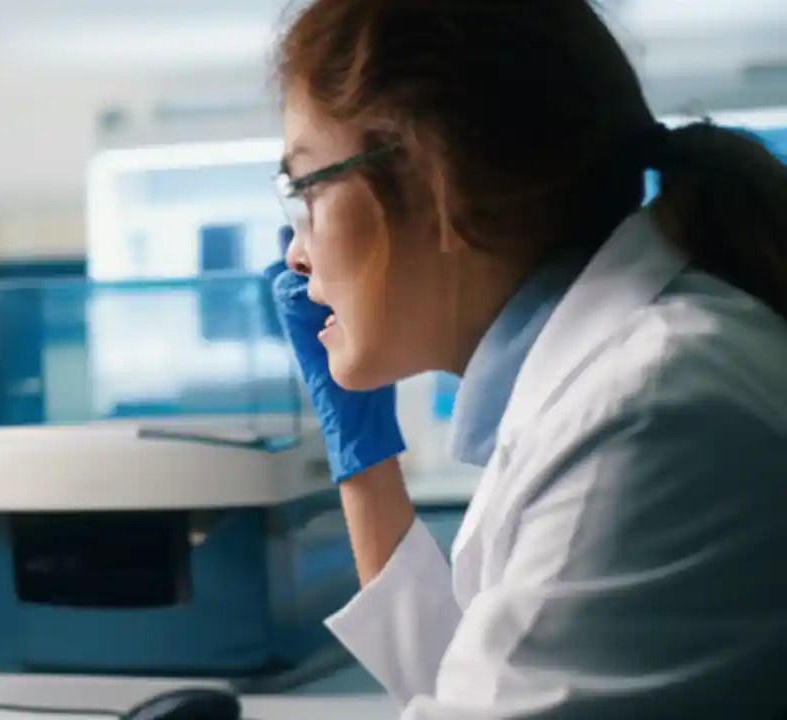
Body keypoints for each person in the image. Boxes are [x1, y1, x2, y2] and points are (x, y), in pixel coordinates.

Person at [263, 0, 787, 717]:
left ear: (435, 181)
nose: (296, 253)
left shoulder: (646, 415)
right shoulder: (605, 387)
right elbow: (469, 676)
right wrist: (364, 461)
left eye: (306, 190)